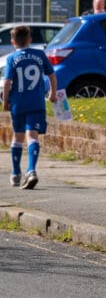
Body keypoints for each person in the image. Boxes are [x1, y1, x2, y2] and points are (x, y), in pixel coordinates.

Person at [3, 25, 52, 190]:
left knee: (17, 137)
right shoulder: (40, 55)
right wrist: (52, 93)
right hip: (37, 102)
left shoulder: (11, 58)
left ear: (12, 42)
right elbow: (51, 74)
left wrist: (5, 101)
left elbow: (7, 82)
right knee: (32, 136)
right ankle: (31, 170)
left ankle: (16, 172)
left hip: (18, 103)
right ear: (30, 39)